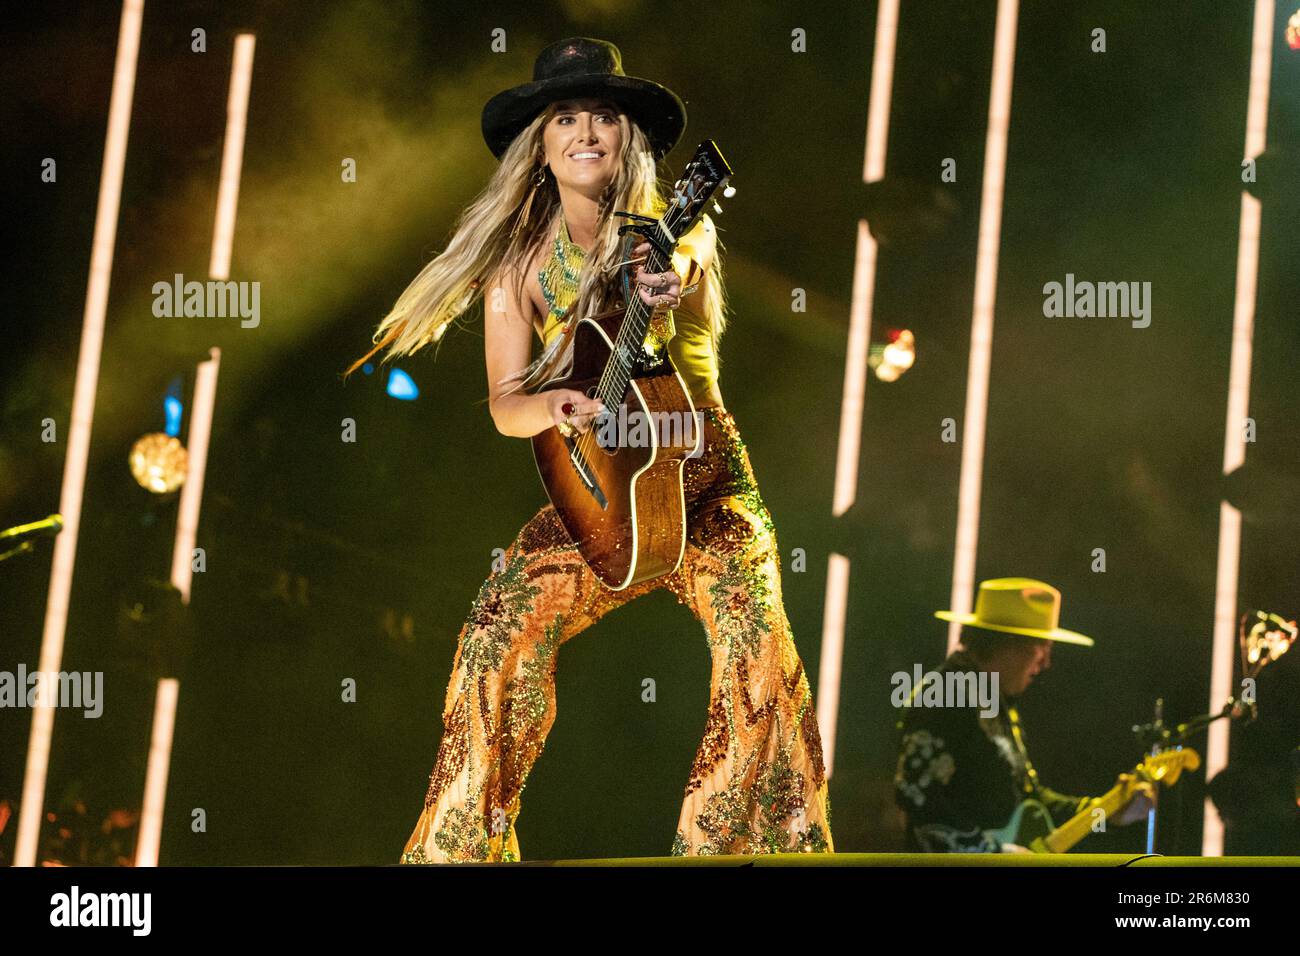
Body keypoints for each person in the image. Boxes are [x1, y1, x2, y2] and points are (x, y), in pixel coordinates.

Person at [347, 37, 833, 862]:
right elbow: (505, 406)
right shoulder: (515, 266)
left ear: (628, 137)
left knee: (756, 634)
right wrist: (552, 401)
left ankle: (740, 850)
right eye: (564, 117)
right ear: (539, 146)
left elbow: (681, 282)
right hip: (604, 492)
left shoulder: (681, 237)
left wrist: (665, 286)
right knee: (495, 629)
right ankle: (462, 852)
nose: (585, 131)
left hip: (703, 479)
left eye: (603, 117)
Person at [894, 578, 1152, 852]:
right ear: (1008, 643)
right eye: (1042, 647)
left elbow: (1028, 802)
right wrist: (989, 853)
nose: (1046, 663)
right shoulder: (945, 693)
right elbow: (914, 792)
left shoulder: (993, 700)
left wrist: (1104, 811)